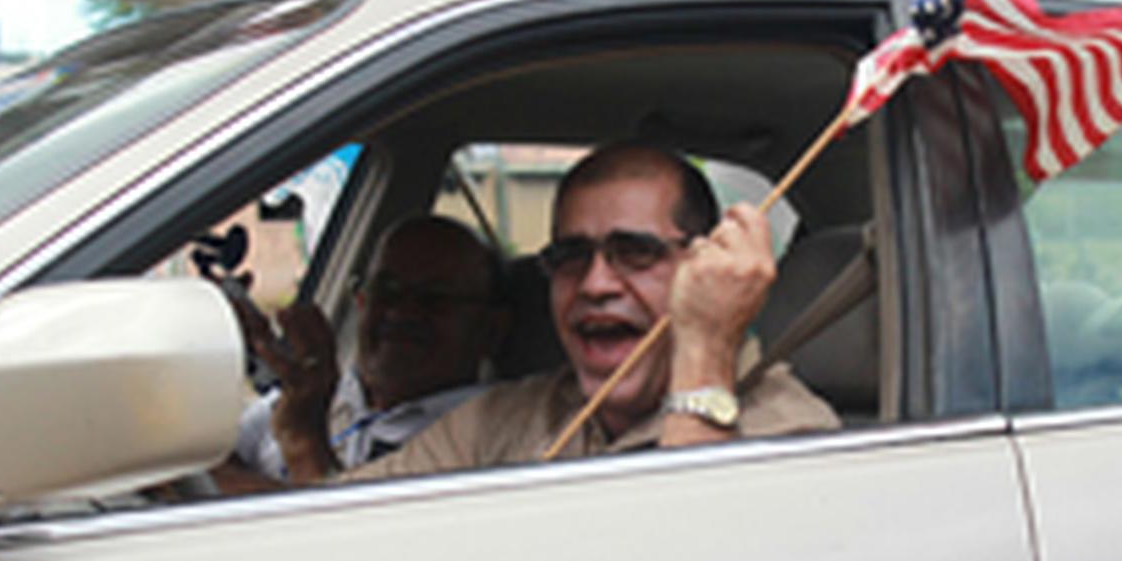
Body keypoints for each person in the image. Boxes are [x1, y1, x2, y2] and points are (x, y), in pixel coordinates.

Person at [351, 141, 837, 480]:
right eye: (571, 256)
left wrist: (704, 355)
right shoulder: (506, 418)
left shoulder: (791, 433)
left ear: (703, 267)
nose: (595, 284)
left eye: (635, 252)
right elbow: (334, 517)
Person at [224, 213, 504, 486]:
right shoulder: (324, 390)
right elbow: (203, 465)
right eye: (387, 290)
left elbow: (351, 527)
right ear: (361, 301)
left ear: (490, 328)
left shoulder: (489, 432)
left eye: (434, 298)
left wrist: (304, 439)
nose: (400, 312)